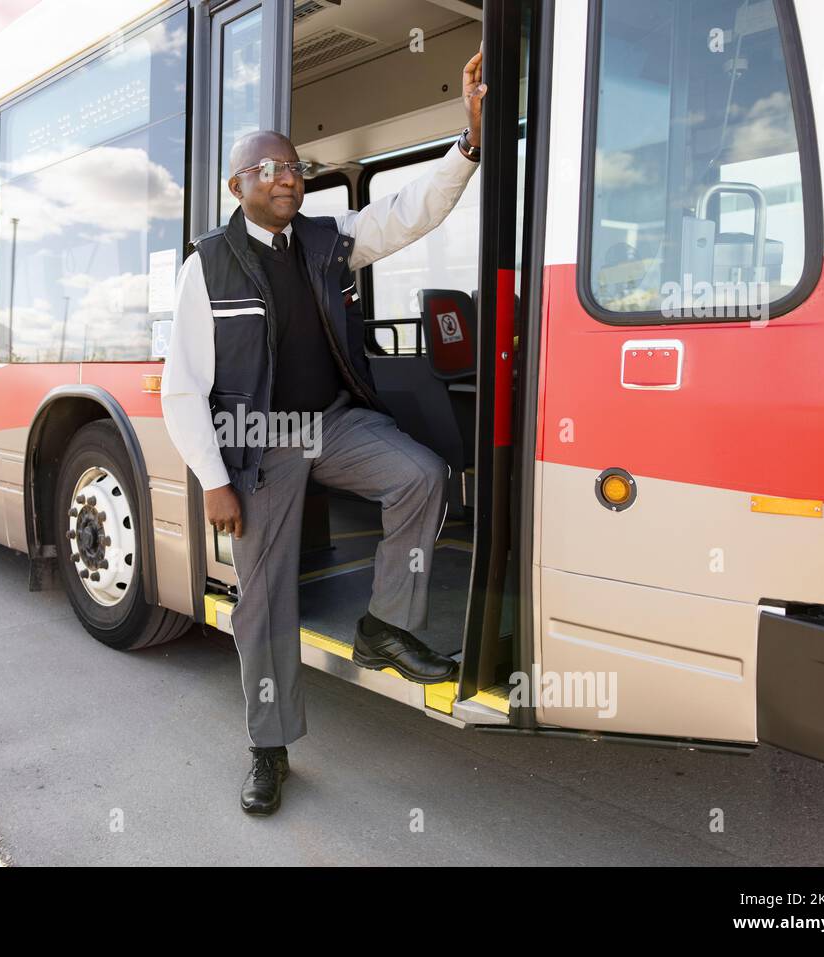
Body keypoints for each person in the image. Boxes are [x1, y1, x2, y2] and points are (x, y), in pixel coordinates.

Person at [161, 49, 487, 816]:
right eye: (268, 166)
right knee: (263, 597)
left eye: (293, 165)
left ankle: (385, 627)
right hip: (262, 439)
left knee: (421, 476)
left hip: (332, 423)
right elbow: (183, 387)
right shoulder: (206, 266)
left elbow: (409, 213)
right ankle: (268, 749)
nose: (286, 174)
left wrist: (468, 143)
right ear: (237, 186)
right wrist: (214, 478)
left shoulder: (326, 237)